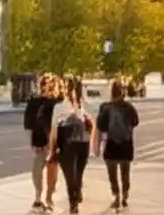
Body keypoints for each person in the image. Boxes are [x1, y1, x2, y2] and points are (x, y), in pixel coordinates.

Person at [49, 77, 96, 215]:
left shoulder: (59, 108)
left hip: (66, 144)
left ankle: (73, 204)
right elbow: (92, 126)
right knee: (78, 174)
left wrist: (52, 150)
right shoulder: (85, 106)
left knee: (70, 176)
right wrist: (91, 143)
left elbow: (54, 131)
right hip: (83, 143)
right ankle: (77, 192)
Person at [96, 81, 140, 212]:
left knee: (112, 173)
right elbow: (135, 122)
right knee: (125, 172)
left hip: (111, 144)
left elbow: (101, 126)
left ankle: (116, 195)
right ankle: (125, 193)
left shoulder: (106, 108)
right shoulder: (129, 107)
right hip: (126, 144)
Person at [24, 74, 61, 212]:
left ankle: (49, 198)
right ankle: (38, 198)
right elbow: (29, 124)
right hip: (39, 143)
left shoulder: (57, 102)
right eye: (44, 84)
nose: (46, 87)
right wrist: (31, 142)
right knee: (37, 171)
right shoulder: (34, 102)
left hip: (53, 143)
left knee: (52, 172)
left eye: (49, 84)